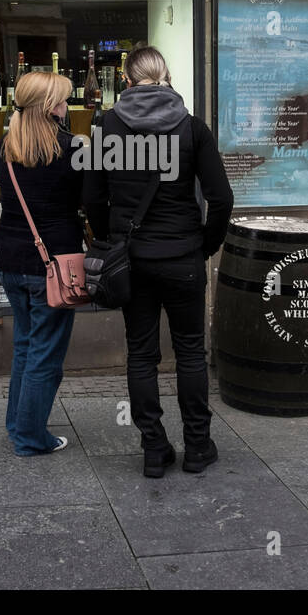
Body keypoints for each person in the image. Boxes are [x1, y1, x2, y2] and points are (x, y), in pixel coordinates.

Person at [84, 47, 234, 478]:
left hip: (132, 259)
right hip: (184, 255)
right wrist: (206, 244)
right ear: (166, 77)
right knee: (190, 353)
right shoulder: (192, 128)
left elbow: (93, 196)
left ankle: (154, 448)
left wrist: (110, 240)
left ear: (127, 81)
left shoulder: (106, 128)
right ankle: (199, 447)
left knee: (141, 354)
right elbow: (221, 198)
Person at [0, 69, 83, 456]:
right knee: (46, 354)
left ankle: (18, 422)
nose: (68, 106)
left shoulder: (7, 147)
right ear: (50, 108)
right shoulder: (73, 149)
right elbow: (89, 201)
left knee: (25, 346)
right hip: (54, 264)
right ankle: (31, 438)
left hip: (11, 260)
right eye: (63, 100)